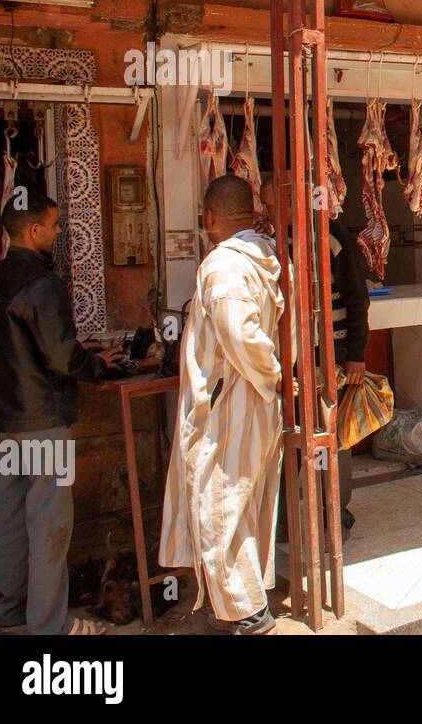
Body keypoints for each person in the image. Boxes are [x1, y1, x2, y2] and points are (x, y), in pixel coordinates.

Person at [0, 191, 121, 635]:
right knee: (48, 524)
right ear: (34, 230)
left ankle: (14, 615)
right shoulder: (42, 284)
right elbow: (62, 358)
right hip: (41, 422)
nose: (58, 233)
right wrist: (96, 364)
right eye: (55, 226)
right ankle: (48, 627)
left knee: (10, 519)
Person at [159, 175, 286, 635]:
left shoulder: (223, 266)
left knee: (218, 502)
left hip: (231, 404)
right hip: (249, 401)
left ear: (211, 217)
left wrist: (271, 376)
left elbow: (241, 335)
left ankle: (245, 611)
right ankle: (247, 601)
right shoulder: (264, 255)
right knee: (240, 502)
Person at [259, 174, 368, 540]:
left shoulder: (333, 238)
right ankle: (287, 521)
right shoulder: (273, 243)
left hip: (329, 357)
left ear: (292, 203)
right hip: (287, 358)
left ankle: (336, 516)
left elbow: (357, 299)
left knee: (331, 438)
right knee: (288, 435)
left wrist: (355, 355)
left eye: (272, 204)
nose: (267, 211)